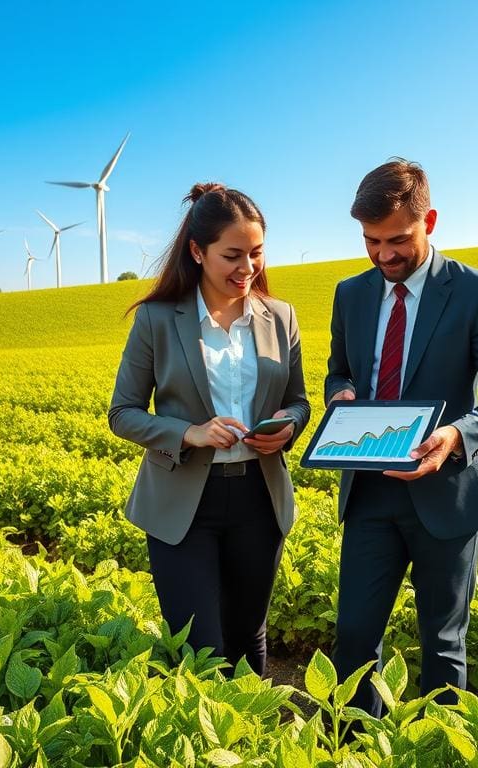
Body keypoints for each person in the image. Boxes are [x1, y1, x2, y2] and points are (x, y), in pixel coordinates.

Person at [325, 159, 478, 715]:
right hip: (369, 489)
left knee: (443, 643)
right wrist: (339, 396)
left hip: (446, 491)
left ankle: (441, 746)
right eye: (371, 241)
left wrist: (456, 437)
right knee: (355, 640)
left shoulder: (476, 290)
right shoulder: (351, 294)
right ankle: (362, 748)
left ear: (429, 220)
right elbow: (339, 370)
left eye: (397, 240)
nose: (384, 254)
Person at [108, 182, 310, 676]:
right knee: (201, 648)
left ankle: (252, 743)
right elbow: (123, 412)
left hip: (258, 501)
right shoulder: (158, 320)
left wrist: (287, 426)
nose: (248, 269)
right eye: (233, 256)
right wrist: (189, 433)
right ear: (198, 252)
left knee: (249, 635)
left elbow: (299, 402)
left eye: (257, 254)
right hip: (183, 505)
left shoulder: (280, 317)